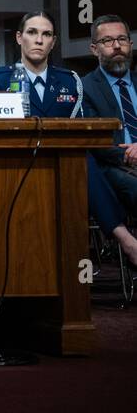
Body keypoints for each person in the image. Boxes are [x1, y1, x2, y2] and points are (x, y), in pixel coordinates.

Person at [0, 11, 137, 265]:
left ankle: (122, 240)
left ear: (54, 42)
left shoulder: (70, 82)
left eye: (46, 34)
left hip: (64, 168)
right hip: (18, 166)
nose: (39, 40)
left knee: (78, 156)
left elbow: (79, 133)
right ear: (19, 38)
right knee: (82, 158)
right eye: (32, 33)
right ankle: (125, 238)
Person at [81, 15, 137, 263]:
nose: (117, 46)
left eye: (122, 39)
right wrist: (131, 153)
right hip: (114, 166)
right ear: (95, 48)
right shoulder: (84, 88)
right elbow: (94, 141)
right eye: (107, 40)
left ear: (130, 44)